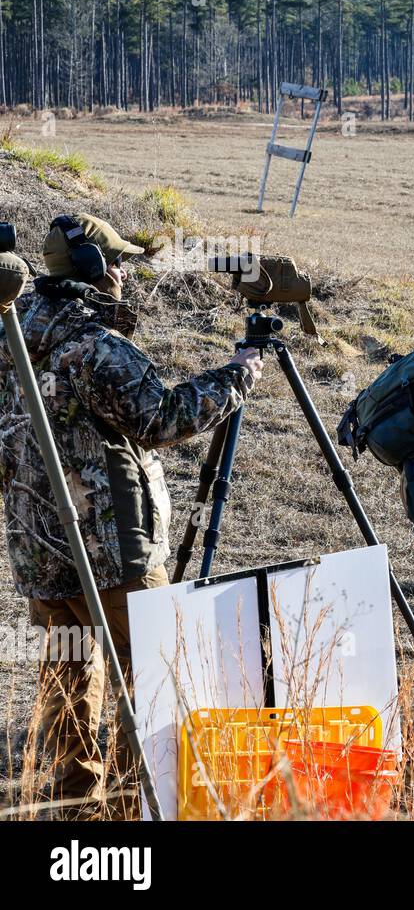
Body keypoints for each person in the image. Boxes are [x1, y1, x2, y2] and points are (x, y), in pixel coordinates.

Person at [0, 213, 263, 817]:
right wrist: (238, 376)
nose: (122, 271)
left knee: (67, 672)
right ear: (92, 268)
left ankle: (70, 797)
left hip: (39, 546)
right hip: (114, 552)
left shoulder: (12, 332)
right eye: (114, 260)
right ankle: (133, 803)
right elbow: (164, 419)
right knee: (151, 675)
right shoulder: (95, 346)